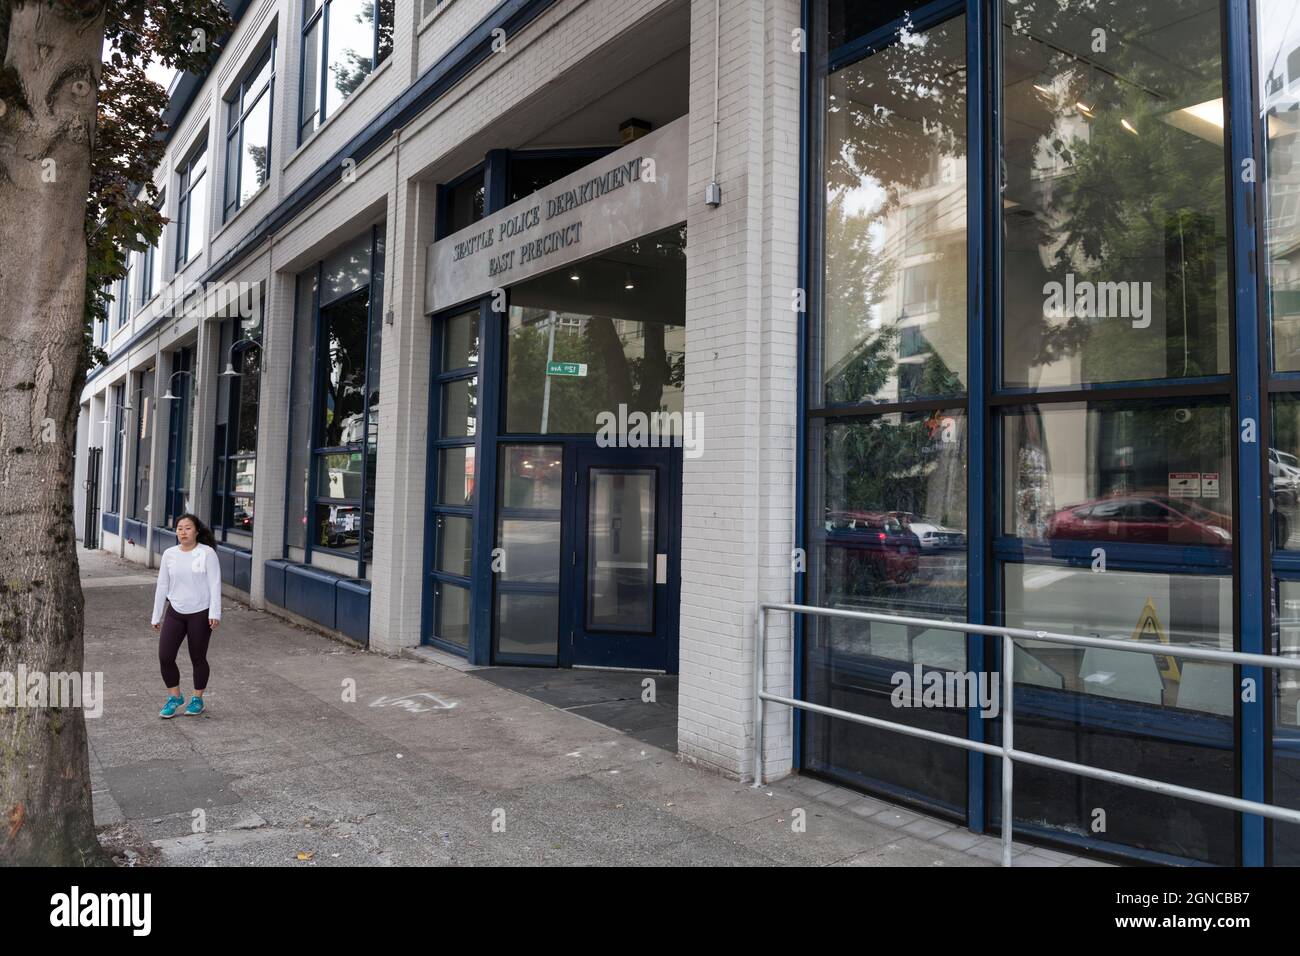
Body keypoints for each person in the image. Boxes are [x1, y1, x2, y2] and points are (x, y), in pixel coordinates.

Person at [151, 514, 222, 718]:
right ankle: (175, 697)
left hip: (200, 613)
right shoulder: (169, 554)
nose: (183, 532)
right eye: (180, 528)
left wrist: (214, 613)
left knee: (197, 657)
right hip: (175, 611)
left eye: (188, 528)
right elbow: (162, 585)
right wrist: (156, 615)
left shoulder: (207, 554)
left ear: (197, 531)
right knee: (165, 656)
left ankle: (197, 699)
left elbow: (214, 584)